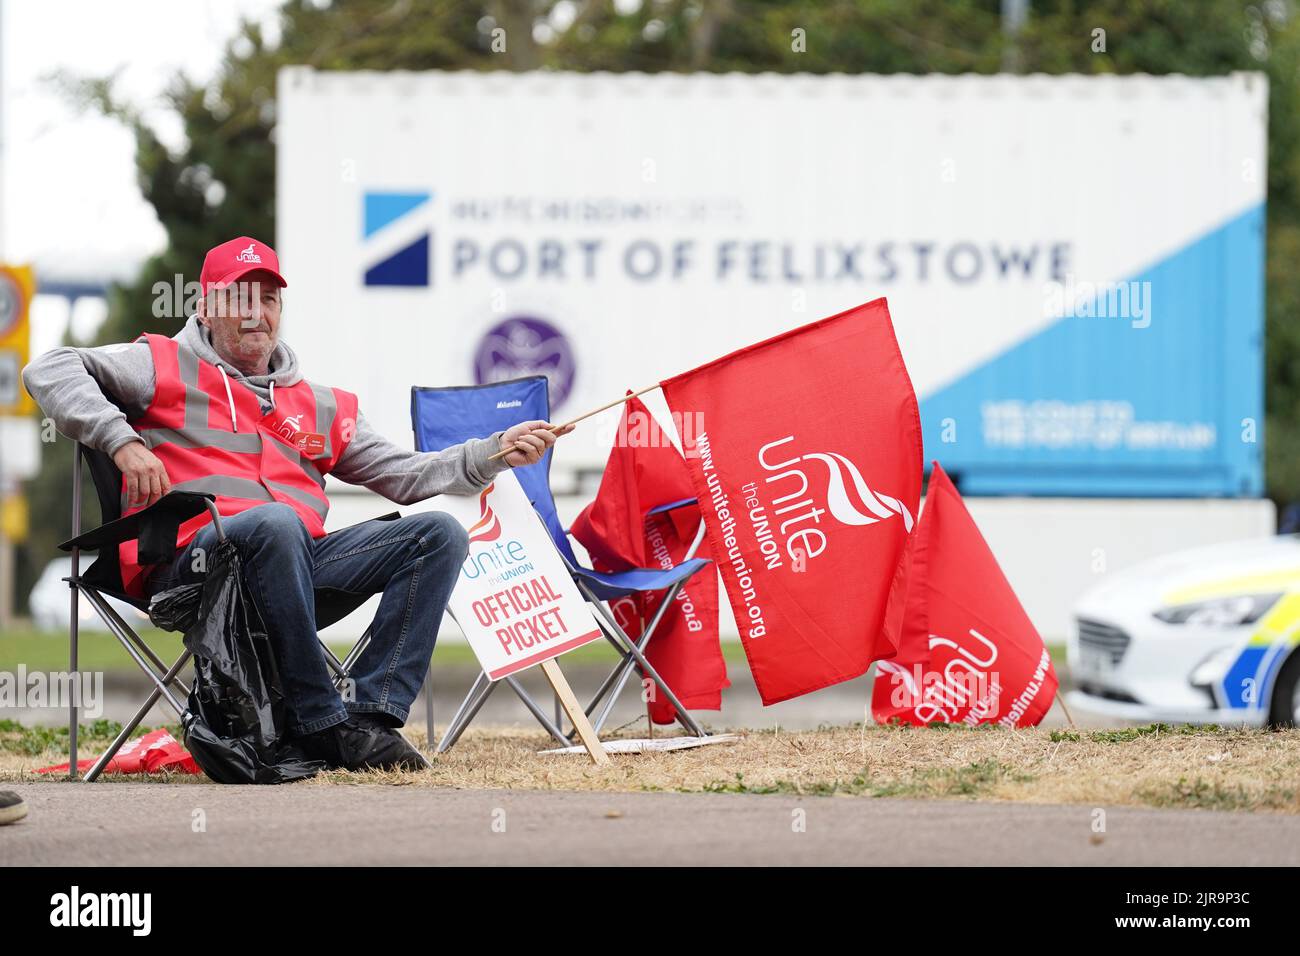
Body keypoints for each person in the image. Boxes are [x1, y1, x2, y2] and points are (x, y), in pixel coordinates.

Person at [23, 236, 571, 772]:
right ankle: (320, 720)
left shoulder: (320, 404)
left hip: (297, 571)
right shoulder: (158, 363)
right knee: (277, 521)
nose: (256, 313)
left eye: (268, 298)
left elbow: (406, 475)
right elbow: (48, 368)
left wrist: (494, 451)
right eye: (239, 298)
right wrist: (123, 441)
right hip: (194, 571)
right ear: (205, 308)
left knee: (437, 535)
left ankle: (370, 717)